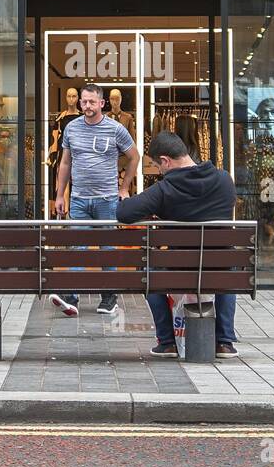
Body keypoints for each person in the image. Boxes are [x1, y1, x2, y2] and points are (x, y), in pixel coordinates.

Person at [117, 130, 241, 359]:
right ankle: (224, 342)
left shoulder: (164, 190)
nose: (160, 171)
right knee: (230, 269)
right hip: (219, 269)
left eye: (158, 165)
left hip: (178, 270)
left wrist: (125, 195)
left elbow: (124, 213)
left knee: (148, 272)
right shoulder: (224, 179)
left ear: (166, 160)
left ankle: (167, 343)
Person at [49, 83, 140, 317]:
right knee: (77, 248)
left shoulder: (115, 128)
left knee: (106, 250)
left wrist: (124, 188)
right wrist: (60, 195)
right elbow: (65, 163)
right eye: (83, 101)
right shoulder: (71, 128)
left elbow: (134, 157)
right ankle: (71, 299)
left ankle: (109, 298)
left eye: (91, 101)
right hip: (79, 199)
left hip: (107, 200)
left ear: (102, 103)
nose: (87, 105)